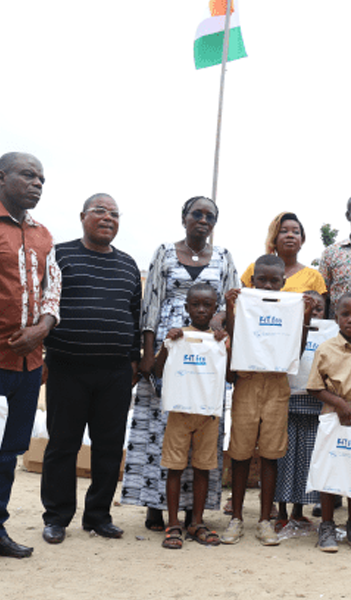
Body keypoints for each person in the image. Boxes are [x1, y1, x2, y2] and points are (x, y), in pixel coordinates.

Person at [121, 196, 238, 531]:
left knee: (201, 427)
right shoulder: (164, 252)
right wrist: (148, 352)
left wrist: (219, 321)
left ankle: (192, 513)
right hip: (168, 347)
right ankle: (155, 506)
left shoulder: (224, 257)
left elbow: (234, 302)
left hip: (207, 354)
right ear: (184, 217)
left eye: (210, 216)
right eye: (196, 214)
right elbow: (151, 302)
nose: (203, 220)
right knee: (161, 428)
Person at [40, 193, 141, 545]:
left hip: (115, 372)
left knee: (109, 448)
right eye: (100, 211)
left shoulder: (128, 265)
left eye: (114, 214)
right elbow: (44, 303)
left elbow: (134, 315)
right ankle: (56, 518)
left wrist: (133, 360)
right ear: (82, 216)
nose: (108, 218)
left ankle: (98, 516)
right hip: (66, 367)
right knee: (62, 445)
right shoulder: (60, 255)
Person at [220, 255, 314, 545]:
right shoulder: (244, 306)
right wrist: (230, 308)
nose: (269, 285)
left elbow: (296, 351)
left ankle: (264, 520)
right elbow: (235, 338)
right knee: (240, 452)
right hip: (247, 382)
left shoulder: (290, 309)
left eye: (275, 281)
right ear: (252, 281)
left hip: (276, 384)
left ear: (284, 282)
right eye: (262, 280)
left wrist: (306, 317)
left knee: (271, 454)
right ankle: (236, 517)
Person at [0, 152, 60, 559]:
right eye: (28, 175)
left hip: (28, 366)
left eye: (41, 178)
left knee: (8, 454)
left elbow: (53, 288)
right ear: (2, 177)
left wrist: (43, 327)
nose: (37, 183)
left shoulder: (43, 235)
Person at [154, 283, 229, 549]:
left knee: (203, 468)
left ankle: (196, 521)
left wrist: (225, 347)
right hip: (180, 412)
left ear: (215, 308)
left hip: (208, 414)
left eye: (207, 305)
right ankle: (173, 522)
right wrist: (167, 345)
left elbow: (230, 374)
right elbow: (157, 370)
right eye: (195, 305)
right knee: (174, 467)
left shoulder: (221, 340)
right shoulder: (178, 336)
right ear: (186, 308)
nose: (201, 310)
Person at [307, 292, 351, 553]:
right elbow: (314, 386)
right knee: (330, 468)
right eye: (345, 314)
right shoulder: (326, 349)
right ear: (335, 317)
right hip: (334, 415)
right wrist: (338, 403)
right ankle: (326, 525)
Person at [275, 289, 327, 528]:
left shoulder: (330, 333)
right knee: (285, 458)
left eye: (318, 309)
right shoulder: (286, 329)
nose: (313, 313)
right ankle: (281, 512)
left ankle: (298, 510)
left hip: (316, 404)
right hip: (288, 401)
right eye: (307, 308)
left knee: (307, 459)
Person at [239, 211, 327, 295]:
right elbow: (241, 300)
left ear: (302, 239)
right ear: (274, 237)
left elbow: (320, 305)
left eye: (296, 232)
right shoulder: (254, 269)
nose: (290, 235)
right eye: (284, 231)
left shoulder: (314, 277)